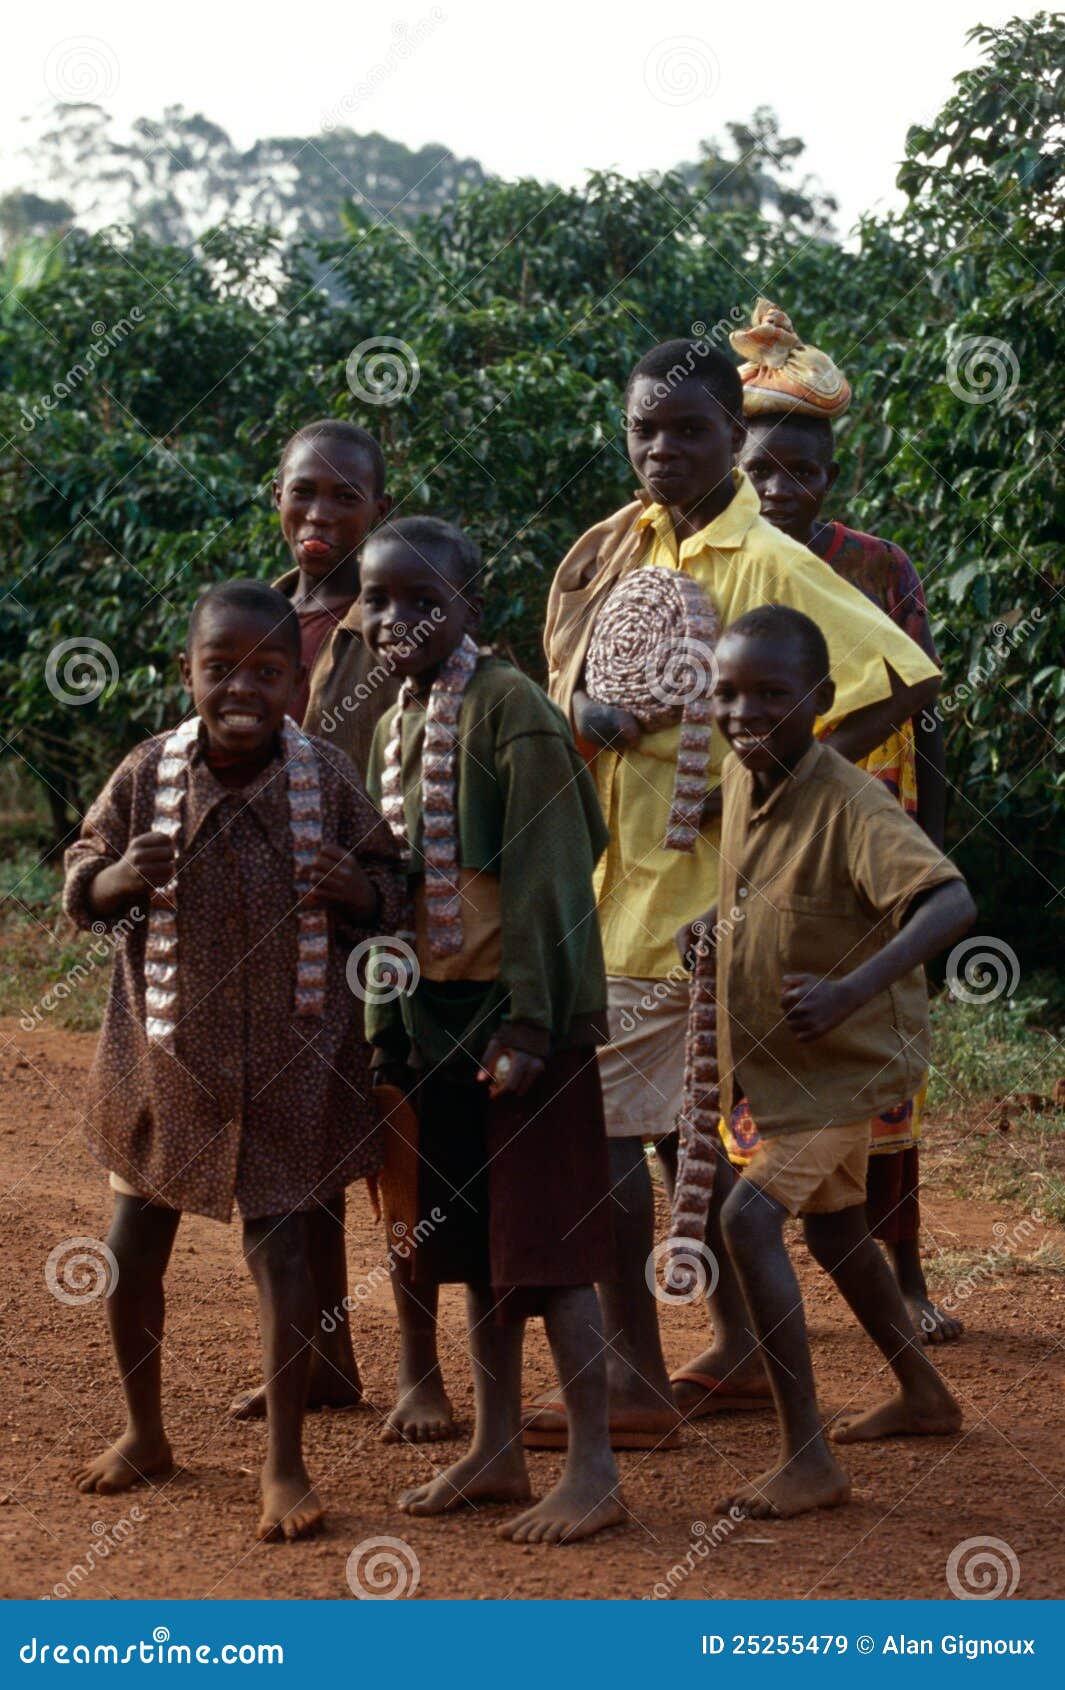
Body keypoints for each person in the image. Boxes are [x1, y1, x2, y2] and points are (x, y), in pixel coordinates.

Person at [534, 336, 943, 1445]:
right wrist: (588, 716)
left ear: (734, 439)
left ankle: (632, 1378)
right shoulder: (619, 546)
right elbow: (573, 668)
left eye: (689, 432)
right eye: (644, 432)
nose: (663, 452)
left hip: (694, 906)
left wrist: (773, 778)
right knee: (685, 1139)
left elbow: (898, 677)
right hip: (619, 882)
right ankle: (759, 1354)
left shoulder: (767, 560)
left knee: (617, 1142)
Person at [63, 581, 406, 1541]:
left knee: (284, 1253)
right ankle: (144, 1432)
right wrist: (118, 877)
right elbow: (81, 870)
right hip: (166, 1063)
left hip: (295, 1062)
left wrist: (363, 894)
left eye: (266, 671)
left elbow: (391, 879)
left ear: (298, 682)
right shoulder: (146, 773)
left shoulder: (327, 778)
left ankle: (285, 1465)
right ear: (190, 674)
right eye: (221, 669)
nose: (242, 688)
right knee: (133, 1251)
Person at [362, 515, 624, 1544]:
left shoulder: (511, 711)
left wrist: (531, 1021)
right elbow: (400, 889)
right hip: (438, 1025)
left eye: (423, 600)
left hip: (523, 1029)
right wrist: (390, 1026)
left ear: (472, 605)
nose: (395, 620)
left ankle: (595, 1465)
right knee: (472, 1247)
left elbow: (555, 880)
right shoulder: (397, 722)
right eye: (377, 600)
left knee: (549, 1251)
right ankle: (498, 1448)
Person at [684, 604, 974, 1519]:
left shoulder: (853, 800)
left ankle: (806, 1455)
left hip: (846, 1066)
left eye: (770, 696)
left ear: (816, 700)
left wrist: (852, 988)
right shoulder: (742, 777)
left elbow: (949, 902)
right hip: (783, 1072)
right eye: (726, 693)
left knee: (747, 1221)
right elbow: (758, 896)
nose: (743, 713)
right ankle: (923, 1396)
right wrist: (711, 931)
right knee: (834, 1230)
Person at [732, 298, 958, 1341]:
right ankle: (752, 1275)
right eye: (763, 470)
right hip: (756, 837)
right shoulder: (725, 563)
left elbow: (915, 699)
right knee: (755, 1043)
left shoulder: (879, 567)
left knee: (880, 1064)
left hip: (866, 832)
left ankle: (903, 1278)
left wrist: (931, 839)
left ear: (831, 477)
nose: (781, 489)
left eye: (801, 472)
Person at [231, 419, 430, 1432]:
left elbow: (434, 761)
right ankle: (315, 1358)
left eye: (344, 497)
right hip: (263, 926)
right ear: (277, 495)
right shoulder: (253, 616)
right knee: (284, 1144)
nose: (319, 515)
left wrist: (372, 875)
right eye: (303, 493)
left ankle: (418, 1371)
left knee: (390, 1138)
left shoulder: (398, 620)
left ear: (377, 510)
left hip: (370, 923)